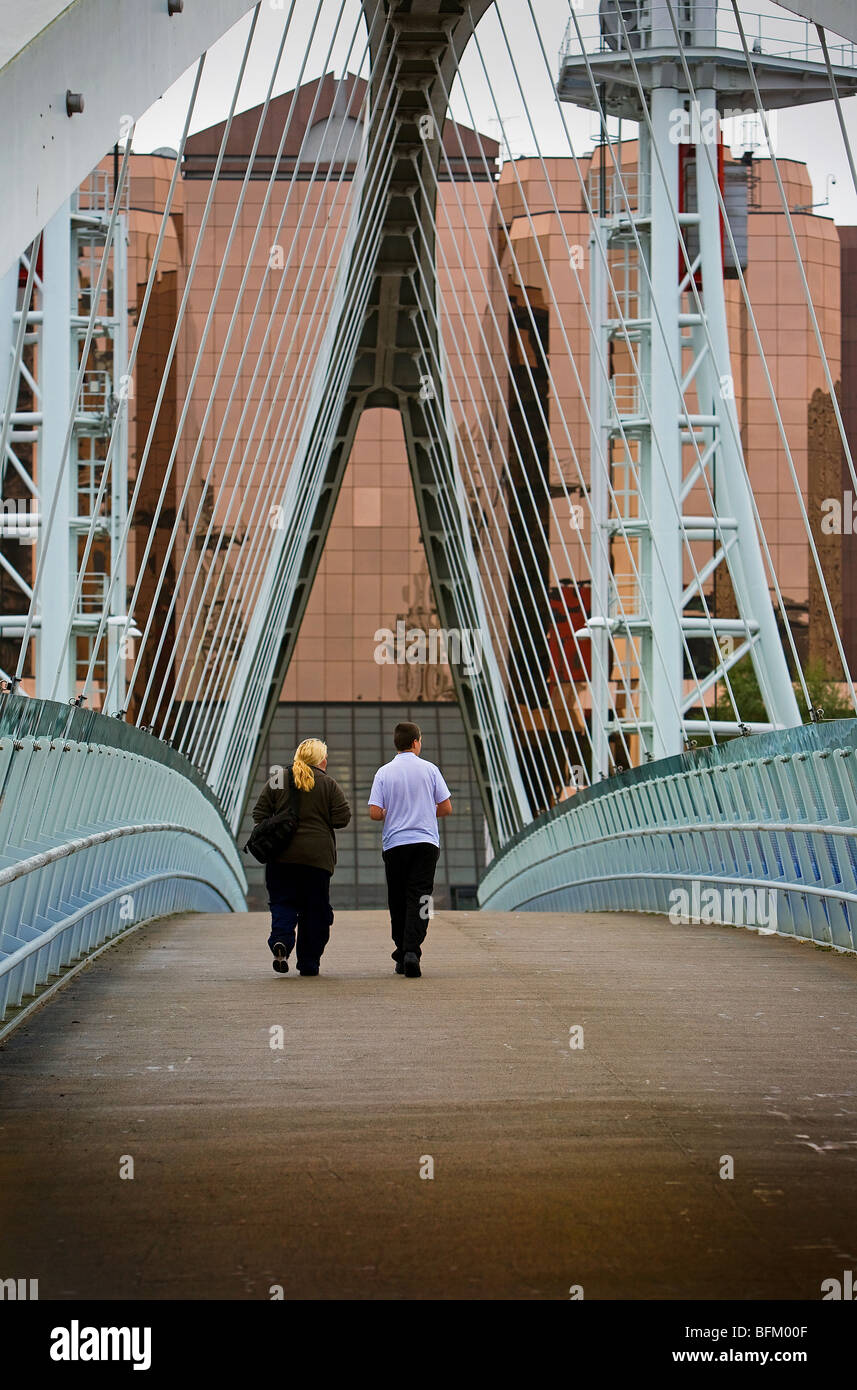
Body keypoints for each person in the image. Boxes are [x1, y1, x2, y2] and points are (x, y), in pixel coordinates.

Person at [252, 738, 351, 976]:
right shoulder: (328, 783)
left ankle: (282, 942)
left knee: (282, 903)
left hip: (281, 858)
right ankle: (309, 963)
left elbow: (259, 814)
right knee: (315, 911)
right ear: (321, 760)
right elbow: (342, 819)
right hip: (317, 860)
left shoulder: (278, 778)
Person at [368, 721, 452, 978]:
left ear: (397, 743)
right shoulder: (430, 769)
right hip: (426, 843)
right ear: (415, 742)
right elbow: (446, 807)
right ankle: (412, 950)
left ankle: (401, 952)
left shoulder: (383, 772)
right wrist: (425, 811)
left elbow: (374, 813)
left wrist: (391, 811)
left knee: (398, 898)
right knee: (422, 897)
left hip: (395, 844)